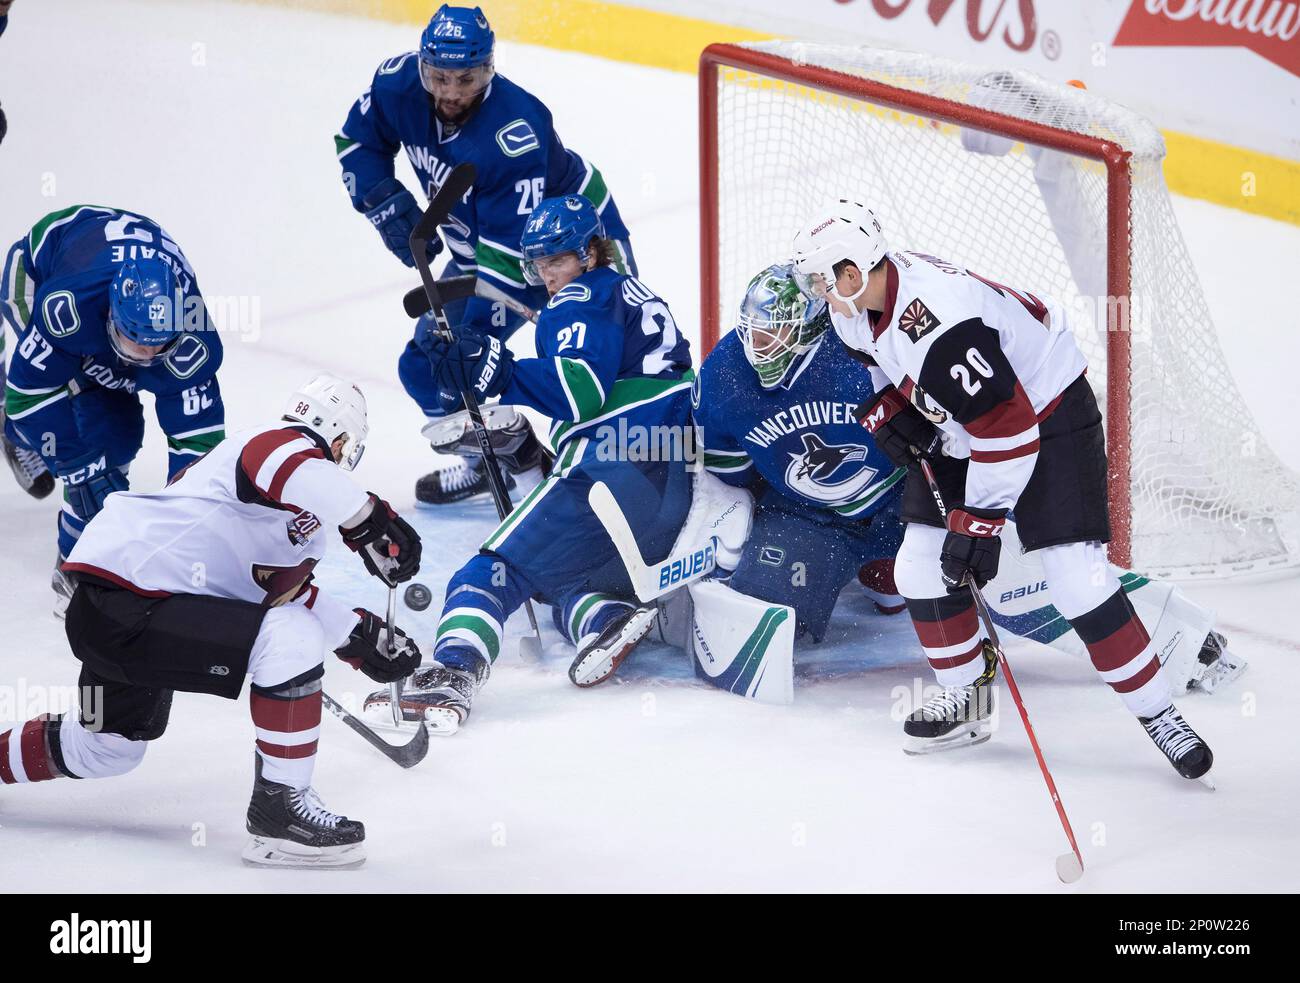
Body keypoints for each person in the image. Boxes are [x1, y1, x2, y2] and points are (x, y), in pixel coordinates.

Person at [791, 199, 1215, 781]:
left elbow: (1010, 430)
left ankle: (1159, 713)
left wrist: (980, 524)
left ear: (851, 273)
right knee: (919, 568)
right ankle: (967, 696)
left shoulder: (938, 325)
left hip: (1047, 411)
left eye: (821, 279)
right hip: (972, 421)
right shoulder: (855, 305)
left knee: (1077, 582)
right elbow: (877, 358)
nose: (816, 291)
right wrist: (892, 405)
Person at [0, 376, 423, 868]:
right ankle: (279, 815)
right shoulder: (271, 446)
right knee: (292, 637)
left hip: (123, 616)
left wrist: (358, 637)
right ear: (342, 438)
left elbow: (281, 596)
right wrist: (370, 518)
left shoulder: (293, 517)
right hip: (128, 607)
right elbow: (290, 467)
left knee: (105, 748)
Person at [363, 194, 692, 732]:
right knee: (560, 576)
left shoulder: (580, 297)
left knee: (493, 571)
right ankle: (605, 617)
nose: (548, 276)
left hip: (615, 468)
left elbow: (579, 391)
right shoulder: (631, 291)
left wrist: (501, 369)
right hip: (674, 479)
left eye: (557, 260)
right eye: (539, 264)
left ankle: (452, 672)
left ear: (591, 252)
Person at [336, 4, 633, 505]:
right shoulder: (396, 85)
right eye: (440, 77)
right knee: (428, 366)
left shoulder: (514, 131)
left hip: (576, 246)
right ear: (422, 66)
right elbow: (356, 140)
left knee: (608, 361)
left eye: (466, 79)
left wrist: (473, 341)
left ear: (488, 70)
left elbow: (515, 261)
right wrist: (383, 201)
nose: (451, 92)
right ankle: (494, 461)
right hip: (484, 249)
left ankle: (625, 479)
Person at [0, 205, 226, 615]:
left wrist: (187, 526)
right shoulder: (67, 307)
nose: (147, 355)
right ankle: (74, 564)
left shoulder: (193, 337)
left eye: (159, 345)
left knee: (116, 436)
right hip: (38, 274)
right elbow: (28, 393)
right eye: (135, 341)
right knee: (84, 432)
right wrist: (78, 464)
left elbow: (199, 448)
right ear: (110, 314)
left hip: (99, 298)